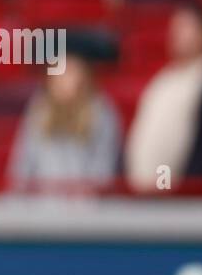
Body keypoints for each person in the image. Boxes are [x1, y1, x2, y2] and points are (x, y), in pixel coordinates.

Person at [124, 3, 202, 193]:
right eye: (175, 28)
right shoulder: (164, 79)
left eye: (186, 27)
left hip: (181, 199)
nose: (177, 34)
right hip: (145, 195)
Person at [7, 54, 120, 193]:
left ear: (83, 76)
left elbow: (103, 172)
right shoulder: (38, 109)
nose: (65, 78)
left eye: (71, 71)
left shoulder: (101, 111)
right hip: (41, 206)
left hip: (88, 207)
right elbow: (22, 168)